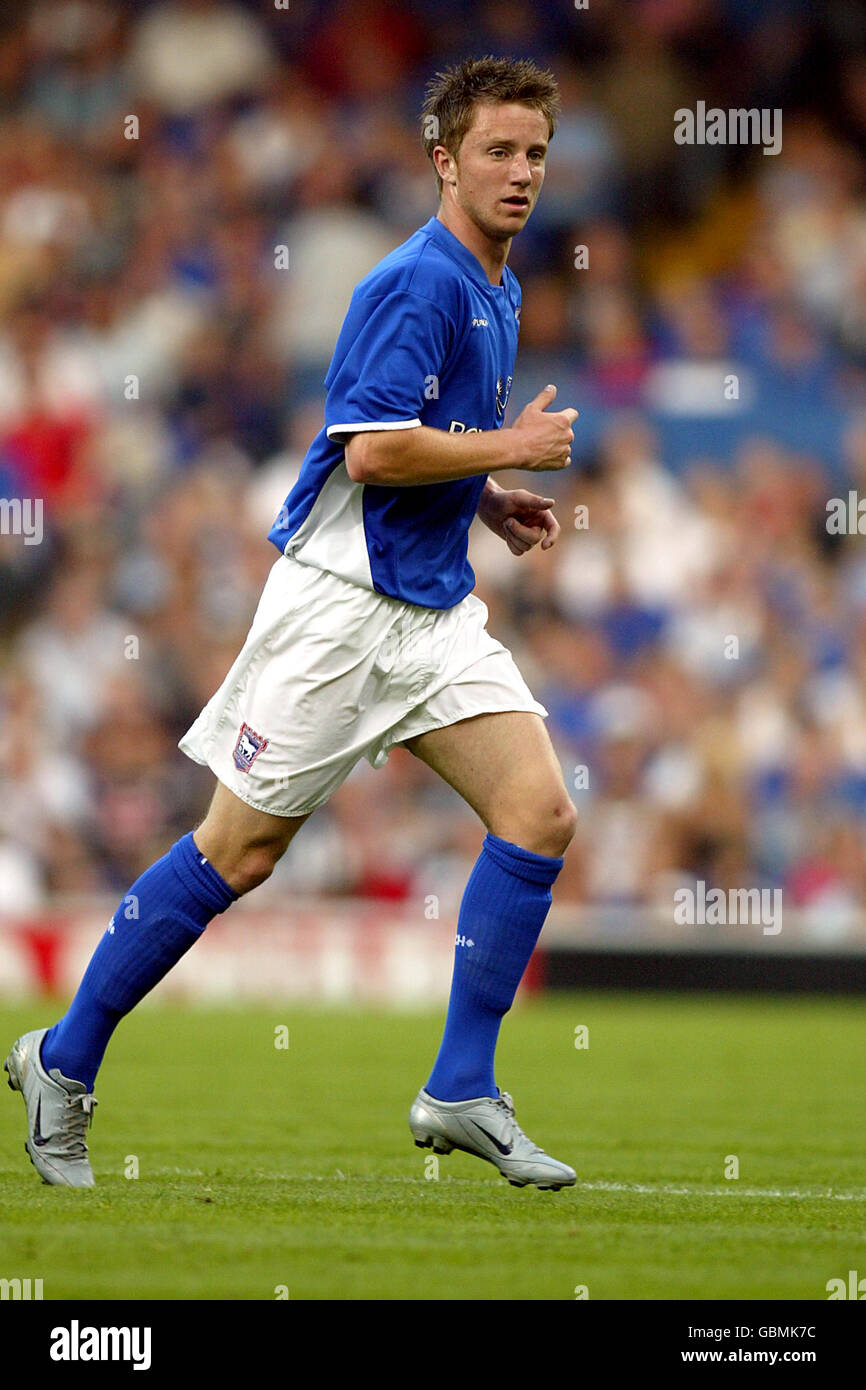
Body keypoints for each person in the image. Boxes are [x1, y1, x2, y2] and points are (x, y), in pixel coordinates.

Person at [6, 55, 580, 1191]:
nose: (520, 173)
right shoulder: (417, 280)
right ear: (442, 160)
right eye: (498, 152)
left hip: (428, 610)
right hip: (337, 609)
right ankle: (61, 1060)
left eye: (534, 154)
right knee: (239, 851)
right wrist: (508, 449)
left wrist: (484, 497)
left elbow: (420, 443)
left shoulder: (496, 281)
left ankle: (460, 1085)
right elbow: (368, 449)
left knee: (539, 811)